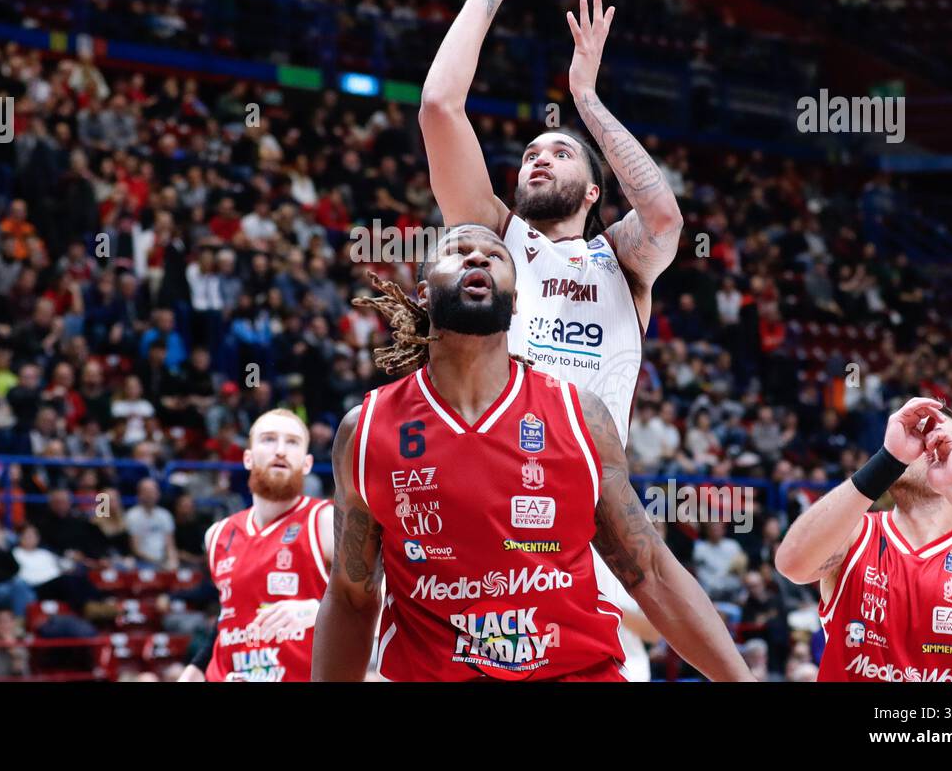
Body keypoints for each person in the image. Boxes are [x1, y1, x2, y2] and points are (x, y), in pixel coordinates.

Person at [312, 224, 749, 681]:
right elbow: (350, 597)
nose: (477, 258)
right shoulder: (365, 429)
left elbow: (651, 573)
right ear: (423, 293)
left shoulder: (578, 414)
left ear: (516, 301)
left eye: (495, 255)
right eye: (457, 251)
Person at [418, 0, 684, 675]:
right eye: (532, 151)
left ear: (594, 191)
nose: (540, 154)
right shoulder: (495, 238)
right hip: (486, 498)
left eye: (559, 152)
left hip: (590, 517)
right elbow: (440, 107)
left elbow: (664, 217)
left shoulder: (624, 263)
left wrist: (588, 103)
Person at [776, 398, 952, 681]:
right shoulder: (855, 534)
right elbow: (792, 563)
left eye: (936, 437)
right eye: (915, 433)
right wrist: (887, 459)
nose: (920, 443)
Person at [177, 408, 333, 682]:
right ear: (247, 457)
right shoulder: (217, 534)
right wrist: (196, 667)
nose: (280, 450)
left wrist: (319, 610)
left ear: (307, 463)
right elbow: (231, 611)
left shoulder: (326, 521)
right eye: (269, 439)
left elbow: (379, 596)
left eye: (292, 442)